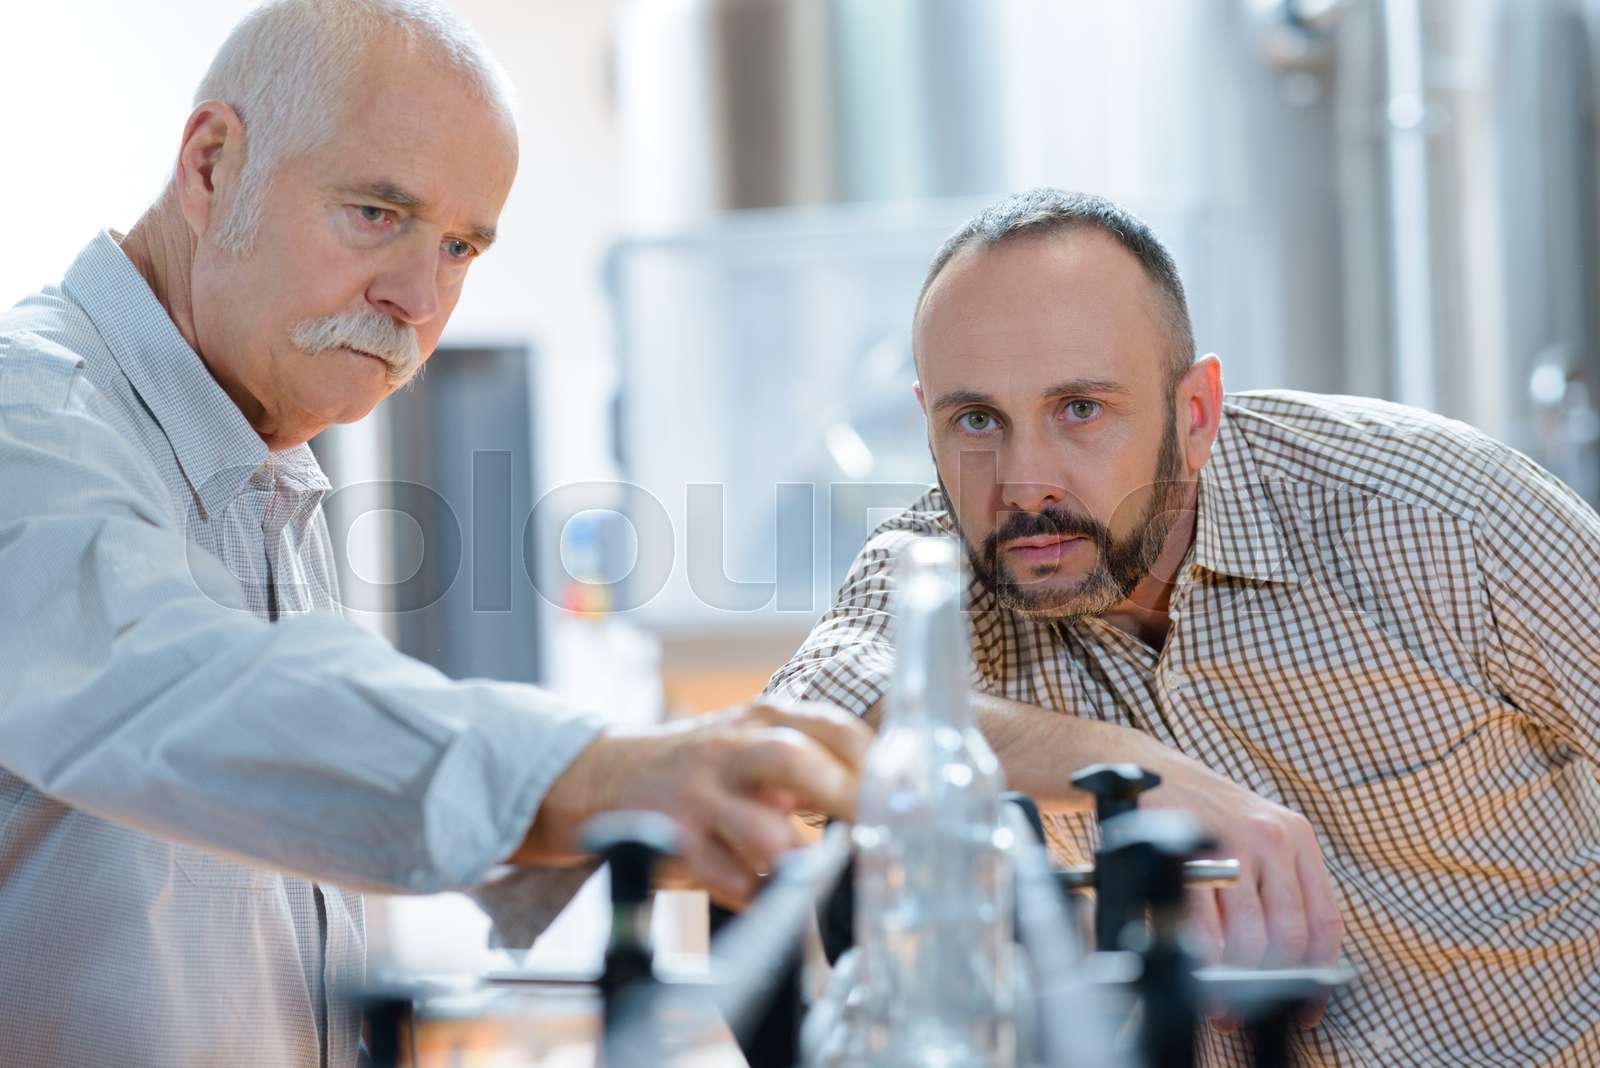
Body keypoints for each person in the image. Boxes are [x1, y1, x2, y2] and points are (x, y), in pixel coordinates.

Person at [0, 3, 871, 1066]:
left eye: (459, 246)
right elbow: (174, 678)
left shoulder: (264, 470)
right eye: (375, 212)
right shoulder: (29, 420)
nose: (417, 297)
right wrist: (591, 776)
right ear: (212, 164)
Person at [767, 188, 1600, 1066]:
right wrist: (1148, 777)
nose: (1024, 481)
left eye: (1080, 409)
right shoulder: (935, 572)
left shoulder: (1441, 518)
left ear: (1195, 413)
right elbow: (797, 736)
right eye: (977, 421)